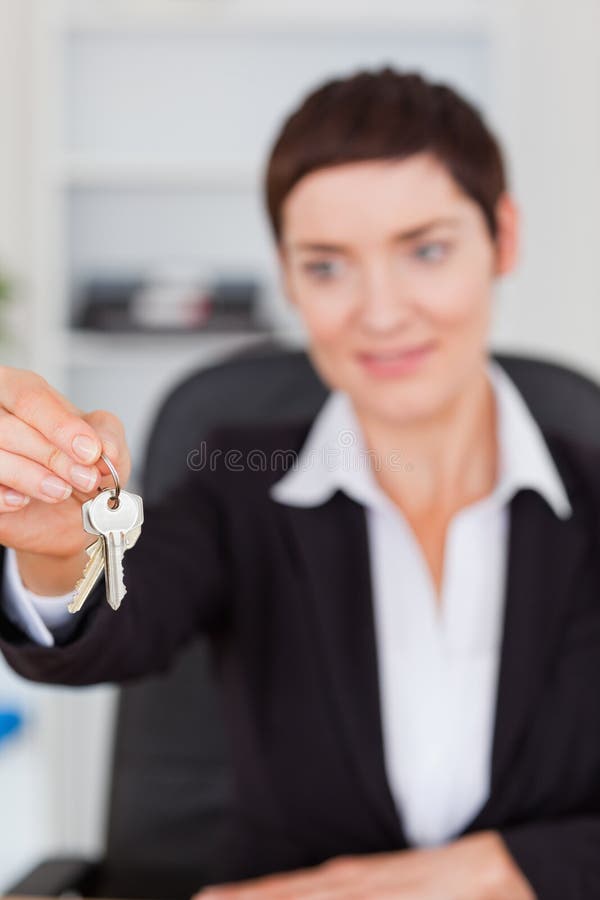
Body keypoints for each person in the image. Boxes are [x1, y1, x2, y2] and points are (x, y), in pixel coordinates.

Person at [0, 67, 599, 899]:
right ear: (285, 276)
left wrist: (480, 873)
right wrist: (65, 545)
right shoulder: (239, 483)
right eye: (327, 267)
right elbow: (121, 616)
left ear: (503, 238)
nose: (381, 311)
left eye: (425, 250)